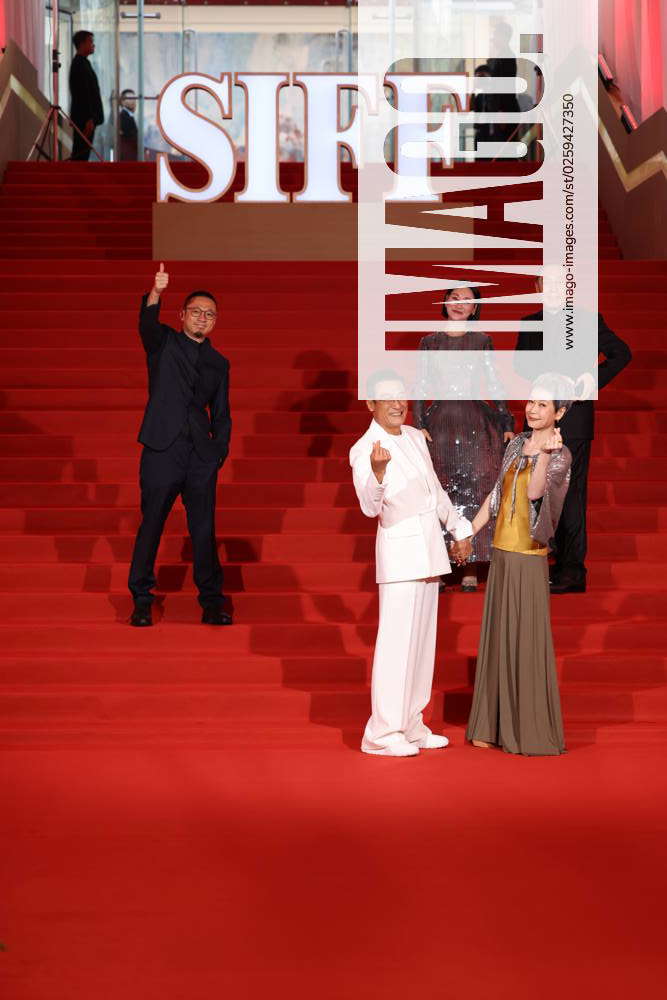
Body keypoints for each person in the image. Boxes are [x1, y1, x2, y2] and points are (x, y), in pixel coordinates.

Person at [350, 371, 473, 757]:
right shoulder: (364, 448)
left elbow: (434, 491)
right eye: (388, 399)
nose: (397, 405)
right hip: (400, 555)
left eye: (401, 398)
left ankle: (413, 726)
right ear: (370, 404)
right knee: (396, 647)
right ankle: (383, 735)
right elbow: (370, 507)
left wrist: (459, 527)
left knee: (421, 645)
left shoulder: (417, 437)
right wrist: (379, 474)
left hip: (428, 554)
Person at [457, 375, 574, 756]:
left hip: (528, 558)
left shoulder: (561, 455)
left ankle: (526, 728)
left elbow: (536, 494)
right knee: (497, 640)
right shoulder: (517, 443)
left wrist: (543, 456)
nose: (533, 410)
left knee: (525, 642)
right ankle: (490, 724)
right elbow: (497, 494)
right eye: (531, 403)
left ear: (560, 412)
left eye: (543, 405)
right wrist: (471, 532)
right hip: (503, 553)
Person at [128, 264, 232, 627]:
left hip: (200, 456)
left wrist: (218, 451)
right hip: (161, 449)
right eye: (196, 312)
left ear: (215, 321)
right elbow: (146, 326)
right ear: (182, 315)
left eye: (209, 314)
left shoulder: (219, 363)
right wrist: (155, 293)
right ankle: (141, 598)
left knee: (204, 529)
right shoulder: (164, 344)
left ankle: (211, 602)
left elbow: (222, 413)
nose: (202, 319)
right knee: (152, 522)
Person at [515, 269, 632, 592]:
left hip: (575, 420)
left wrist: (590, 381)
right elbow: (520, 365)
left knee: (571, 493)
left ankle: (573, 571)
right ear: (536, 287)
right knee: (537, 489)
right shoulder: (529, 322)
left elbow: (622, 353)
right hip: (539, 419)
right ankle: (549, 558)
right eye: (545, 283)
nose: (551, 289)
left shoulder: (588, 320)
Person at [413, 285, 514, 592]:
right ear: (444, 302)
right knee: (440, 490)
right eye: (454, 298)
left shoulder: (482, 340)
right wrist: (418, 423)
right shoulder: (429, 342)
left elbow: (494, 382)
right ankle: (440, 565)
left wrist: (506, 420)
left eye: (467, 301)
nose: (460, 304)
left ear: (475, 309)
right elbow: (419, 383)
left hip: (474, 420)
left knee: (472, 487)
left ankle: (470, 563)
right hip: (440, 422)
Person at [69, 30, 104, 161]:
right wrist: (89, 118)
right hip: (84, 120)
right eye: (91, 42)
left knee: (83, 153)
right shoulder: (79, 64)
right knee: (80, 154)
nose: (93, 45)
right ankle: (75, 180)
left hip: (87, 118)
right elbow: (82, 93)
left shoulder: (84, 63)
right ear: (82, 44)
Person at [119, 89, 138, 161]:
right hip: (127, 156)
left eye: (134, 99)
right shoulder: (123, 116)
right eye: (130, 99)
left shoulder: (130, 116)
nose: (133, 101)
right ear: (122, 102)